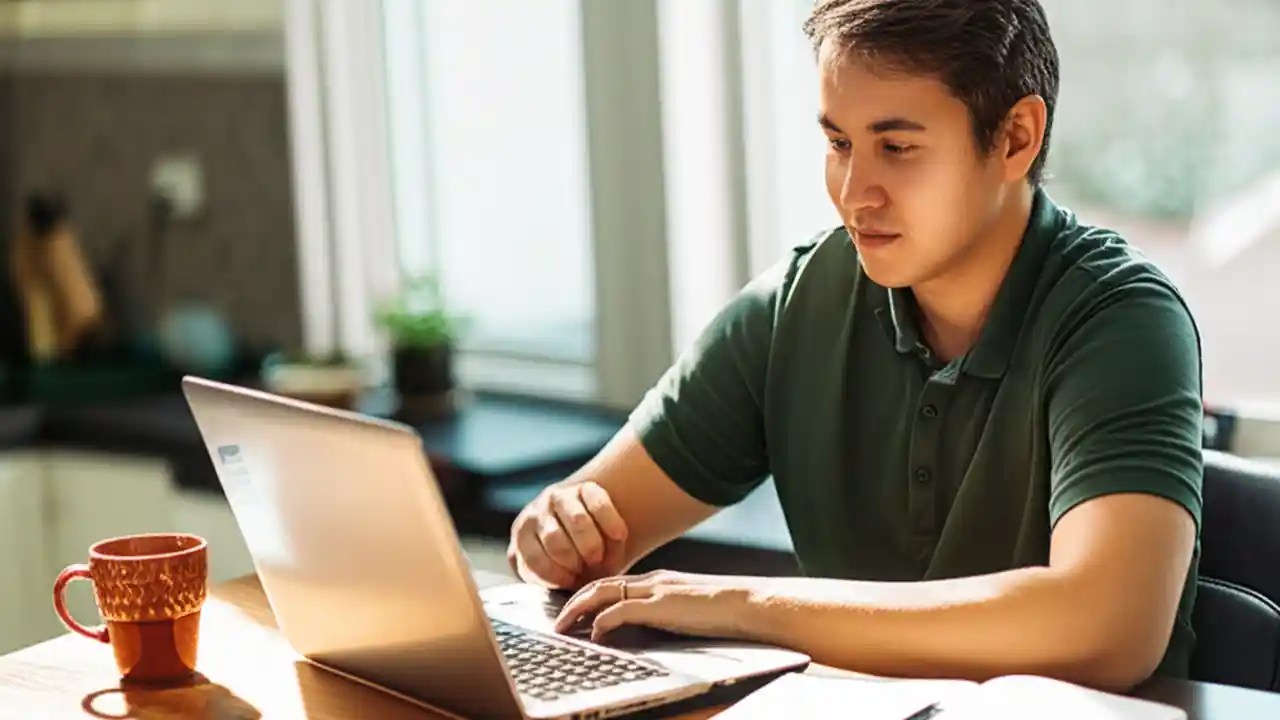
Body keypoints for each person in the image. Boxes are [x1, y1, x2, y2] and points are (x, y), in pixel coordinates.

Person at [509, 0, 1202, 692]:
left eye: (896, 148)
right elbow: (588, 526)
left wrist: (745, 607)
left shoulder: (1122, 320)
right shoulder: (796, 303)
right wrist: (552, 533)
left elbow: (1110, 629)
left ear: (1016, 139)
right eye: (839, 144)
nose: (854, 193)